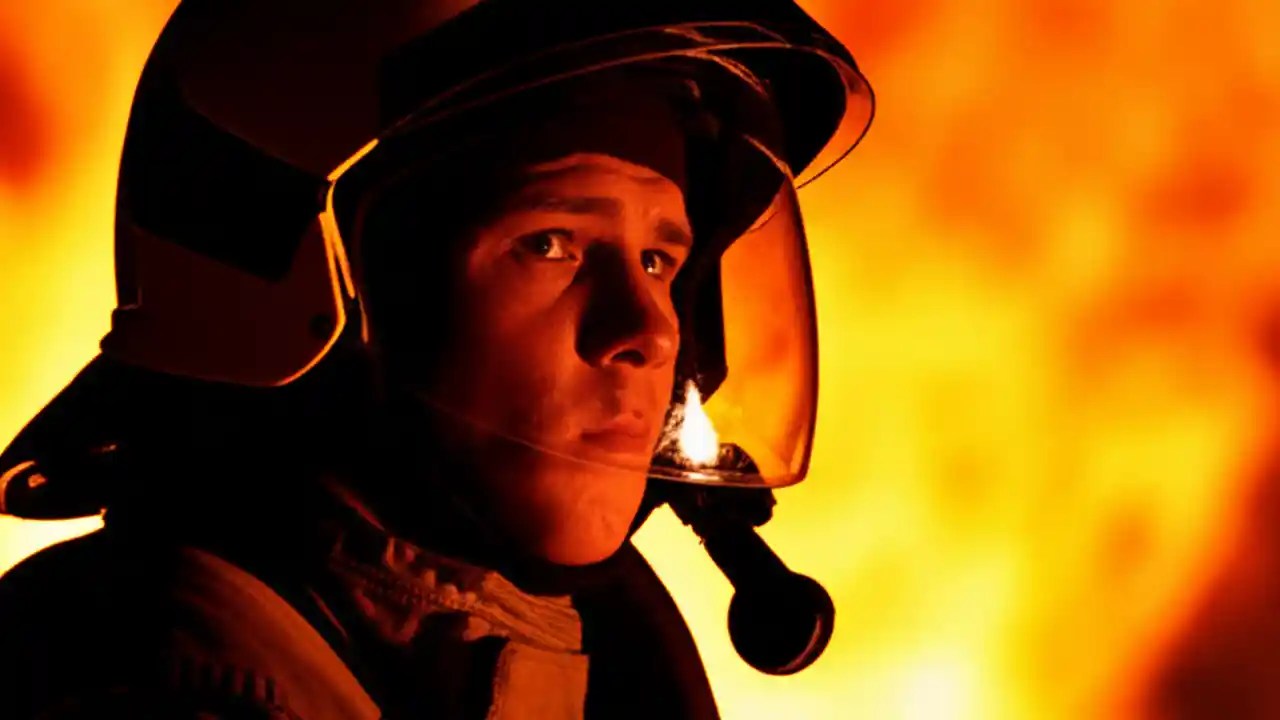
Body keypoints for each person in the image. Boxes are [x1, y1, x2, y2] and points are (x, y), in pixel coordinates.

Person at [0, 0, 873, 717]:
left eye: (659, 261)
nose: (645, 332)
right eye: (551, 244)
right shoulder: (145, 687)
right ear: (286, 291)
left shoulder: (586, 670)